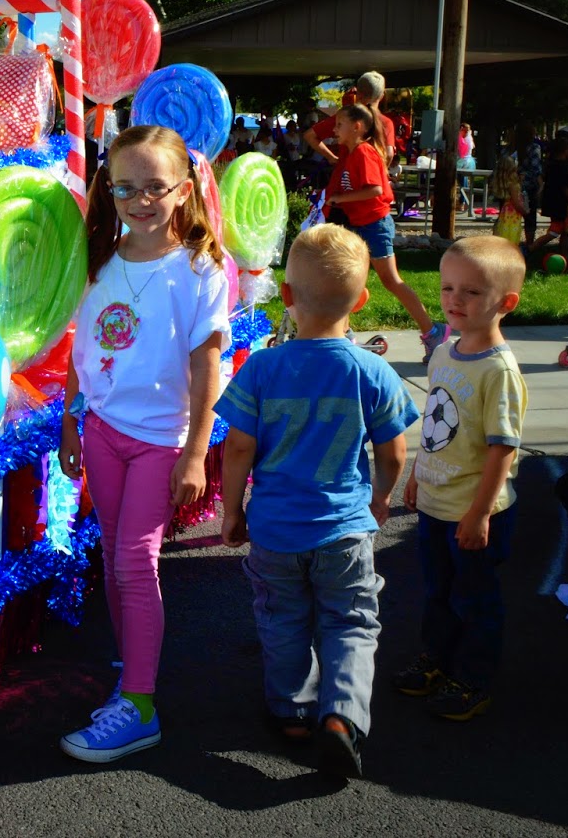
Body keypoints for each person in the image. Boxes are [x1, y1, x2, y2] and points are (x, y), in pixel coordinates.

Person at [217, 224, 416, 778]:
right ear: (363, 299)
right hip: (343, 528)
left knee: (282, 618)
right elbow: (393, 451)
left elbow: (238, 448)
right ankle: (343, 716)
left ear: (286, 294)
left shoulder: (262, 368)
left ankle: (292, 711)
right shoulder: (371, 370)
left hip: (276, 529)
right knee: (350, 622)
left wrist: (232, 511)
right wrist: (381, 498)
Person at [57, 125, 231, 763]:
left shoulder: (200, 270)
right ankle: (131, 664)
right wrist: (70, 420)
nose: (140, 200)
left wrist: (195, 452)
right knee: (113, 557)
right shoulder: (98, 260)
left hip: (161, 440)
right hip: (102, 432)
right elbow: (81, 349)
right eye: (125, 187)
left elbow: (207, 367)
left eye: (155, 187)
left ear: (184, 189)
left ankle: (139, 705)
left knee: (134, 561)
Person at [396, 235, 528, 721]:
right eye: (448, 287)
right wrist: (416, 474)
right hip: (436, 503)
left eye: (471, 292)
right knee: (438, 590)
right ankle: (437, 657)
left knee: (475, 599)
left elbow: (502, 449)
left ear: (506, 303)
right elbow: (435, 428)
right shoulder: (444, 354)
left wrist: (479, 514)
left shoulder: (499, 371)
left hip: (473, 512)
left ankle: (473, 678)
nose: (454, 299)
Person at [325, 103, 448, 360]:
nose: (334, 130)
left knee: (391, 280)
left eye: (339, 125)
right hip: (359, 224)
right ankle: (344, 334)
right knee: (347, 278)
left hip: (374, 224)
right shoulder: (351, 153)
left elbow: (376, 190)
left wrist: (340, 199)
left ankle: (432, 331)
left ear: (357, 127)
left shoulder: (364, 152)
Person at [532, 136, 568, 255]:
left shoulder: (549, 164)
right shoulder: (565, 166)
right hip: (561, 202)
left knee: (565, 230)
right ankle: (530, 248)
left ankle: (564, 254)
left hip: (550, 199)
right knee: (555, 231)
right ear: (565, 150)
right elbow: (565, 186)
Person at [513, 128, 545, 249]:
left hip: (513, 185)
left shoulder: (512, 148)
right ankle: (529, 244)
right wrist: (541, 185)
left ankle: (509, 240)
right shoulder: (534, 148)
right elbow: (536, 168)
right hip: (529, 186)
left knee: (512, 214)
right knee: (530, 216)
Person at [456, 123, 476, 212]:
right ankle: (463, 202)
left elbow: (462, 152)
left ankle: (463, 203)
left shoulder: (465, 138)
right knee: (463, 182)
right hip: (463, 161)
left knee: (463, 181)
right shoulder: (466, 137)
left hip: (464, 162)